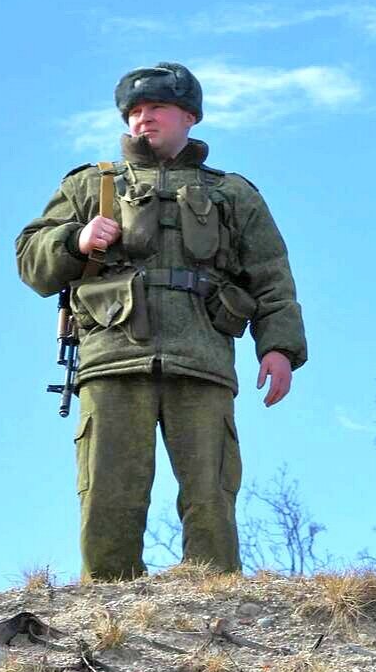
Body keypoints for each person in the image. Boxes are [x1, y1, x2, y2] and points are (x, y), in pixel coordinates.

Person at [17, 63, 308, 582]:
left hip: (202, 361)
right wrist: (77, 240)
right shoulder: (90, 185)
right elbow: (31, 260)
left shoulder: (232, 194)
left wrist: (279, 348)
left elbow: (270, 275)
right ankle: (108, 609)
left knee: (210, 493)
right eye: (134, 111)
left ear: (189, 116)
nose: (143, 119)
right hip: (112, 358)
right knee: (108, 491)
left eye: (157, 109)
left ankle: (216, 602)